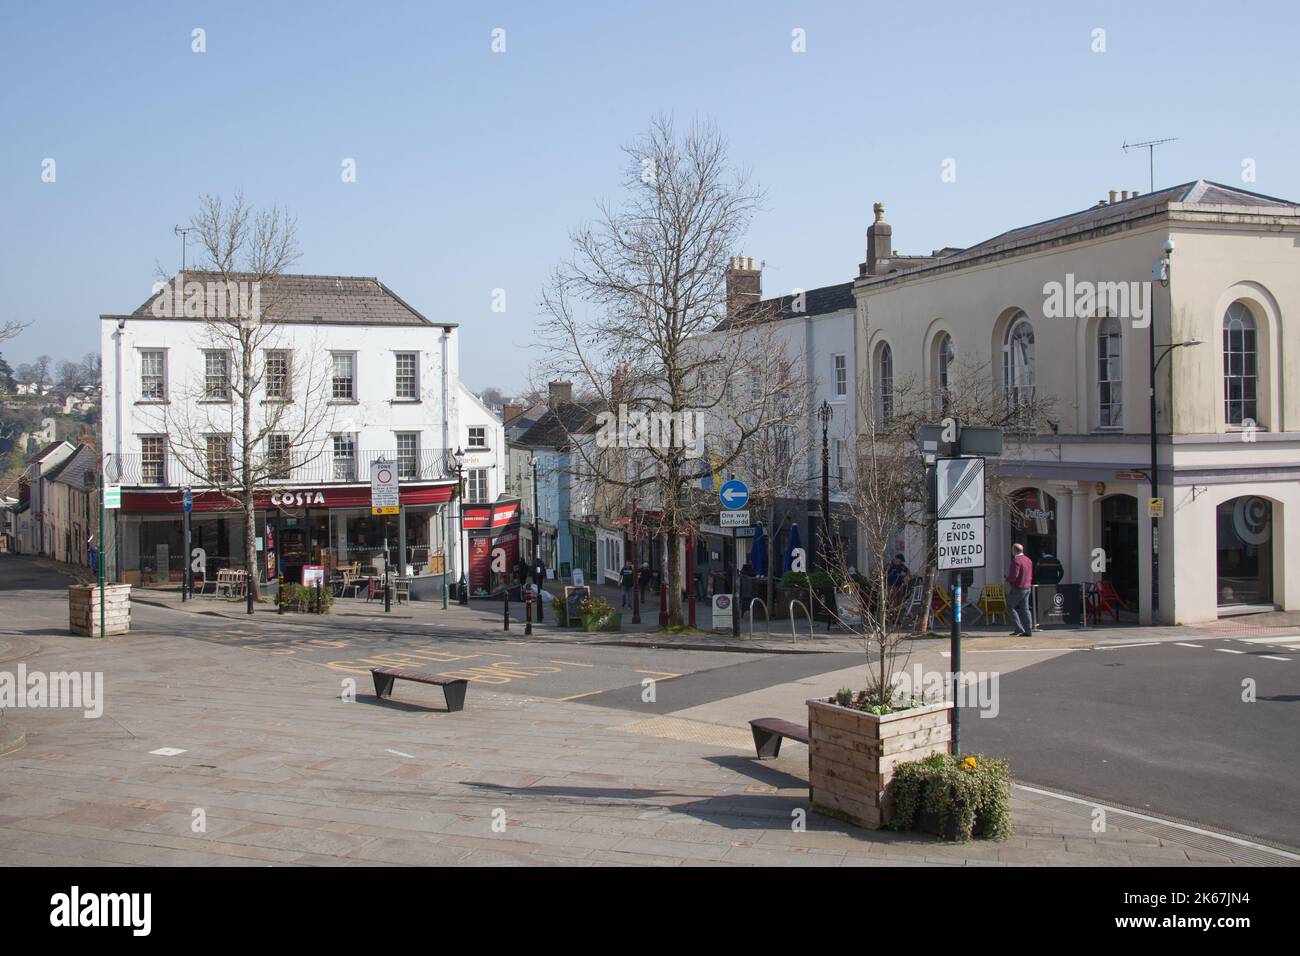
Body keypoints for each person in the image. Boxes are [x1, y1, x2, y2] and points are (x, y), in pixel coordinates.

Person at [1005, 543, 1035, 636]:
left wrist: (1008, 579)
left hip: (1018, 588)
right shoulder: (1028, 560)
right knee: (1025, 609)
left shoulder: (1016, 561)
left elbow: (1014, 576)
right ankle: (1028, 630)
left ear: (1014, 550)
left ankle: (1019, 628)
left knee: (1009, 606)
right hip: (1027, 587)